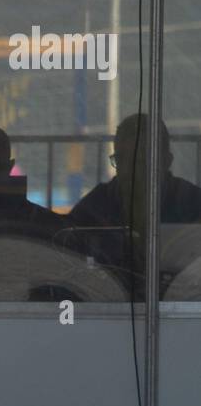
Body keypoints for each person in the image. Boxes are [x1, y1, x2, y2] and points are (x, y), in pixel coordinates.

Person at [68, 115, 201, 288]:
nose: (131, 170)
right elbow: (66, 255)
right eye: (123, 160)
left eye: (143, 160)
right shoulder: (96, 206)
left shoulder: (193, 203)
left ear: (166, 162)